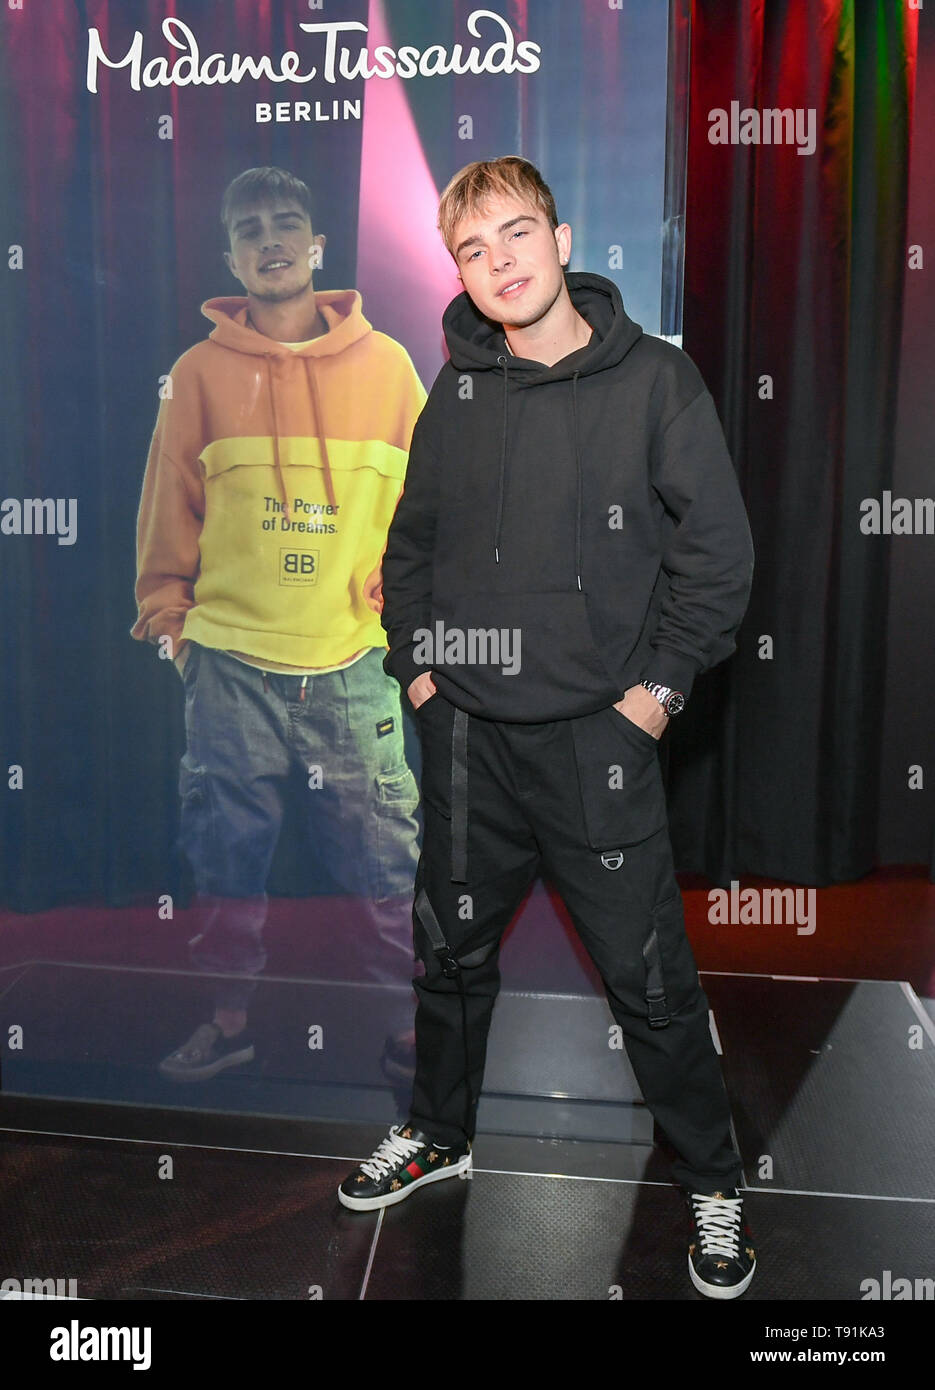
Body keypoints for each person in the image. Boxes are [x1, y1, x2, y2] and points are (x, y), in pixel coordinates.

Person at [338, 157, 757, 1301]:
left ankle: (712, 1177)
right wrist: (420, 675)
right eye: (473, 250)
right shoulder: (454, 391)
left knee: (650, 984)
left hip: (594, 745)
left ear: (562, 237)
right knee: (452, 956)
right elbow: (409, 547)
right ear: (460, 272)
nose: (500, 263)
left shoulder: (654, 381)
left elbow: (715, 559)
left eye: (516, 234)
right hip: (469, 740)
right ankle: (439, 1129)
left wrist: (652, 699)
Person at [132, 167, 424, 1081]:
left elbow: (430, 512)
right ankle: (229, 1021)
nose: (270, 239)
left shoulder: (388, 368)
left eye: (286, 223)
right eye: (249, 228)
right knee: (224, 863)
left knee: (387, 865)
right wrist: (173, 628)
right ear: (230, 256)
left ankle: (414, 1033)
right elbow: (165, 512)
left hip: (350, 663)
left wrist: (406, 612)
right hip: (229, 666)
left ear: (318, 246)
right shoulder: (196, 373)